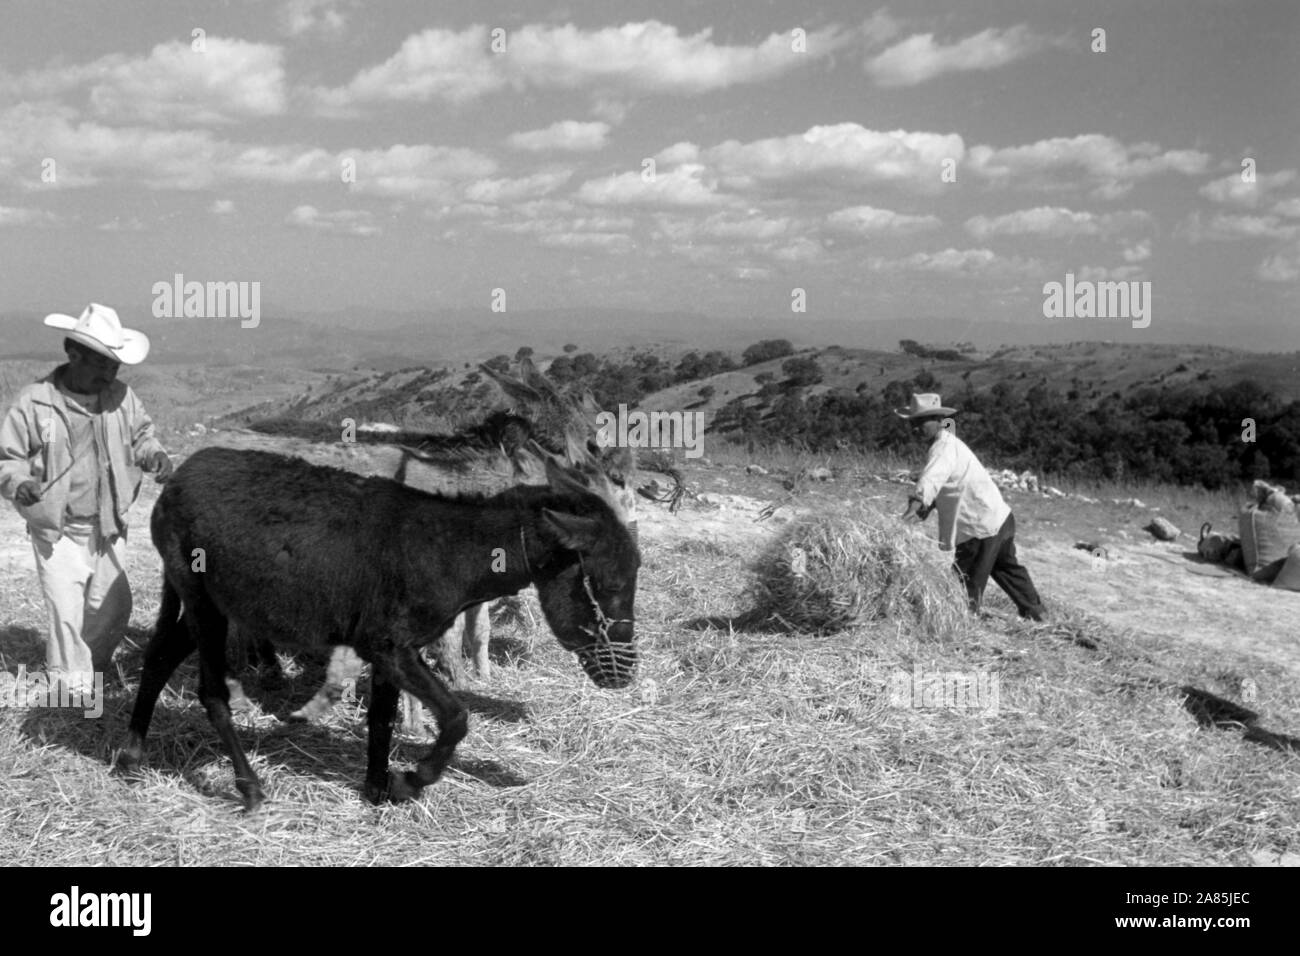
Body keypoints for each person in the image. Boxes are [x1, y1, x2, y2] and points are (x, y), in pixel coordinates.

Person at [0, 303, 172, 692]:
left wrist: (155, 455)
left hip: (109, 523)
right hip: (57, 529)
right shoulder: (35, 402)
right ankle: (70, 690)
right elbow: (7, 458)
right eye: (99, 364)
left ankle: (92, 668)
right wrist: (18, 483)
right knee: (65, 610)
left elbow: (142, 435)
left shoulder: (121, 397)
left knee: (110, 606)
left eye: (113, 365)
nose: (108, 373)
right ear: (72, 354)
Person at [896, 393, 1046, 622]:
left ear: (938, 419)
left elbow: (929, 481)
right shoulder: (948, 444)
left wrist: (906, 516)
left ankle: (962, 623)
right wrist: (928, 506)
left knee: (963, 584)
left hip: (978, 526)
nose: (914, 428)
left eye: (919, 422)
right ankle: (1038, 614)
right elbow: (950, 482)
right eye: (912, 423)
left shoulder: (942, 447)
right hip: (999, 518)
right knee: (1007, 569)